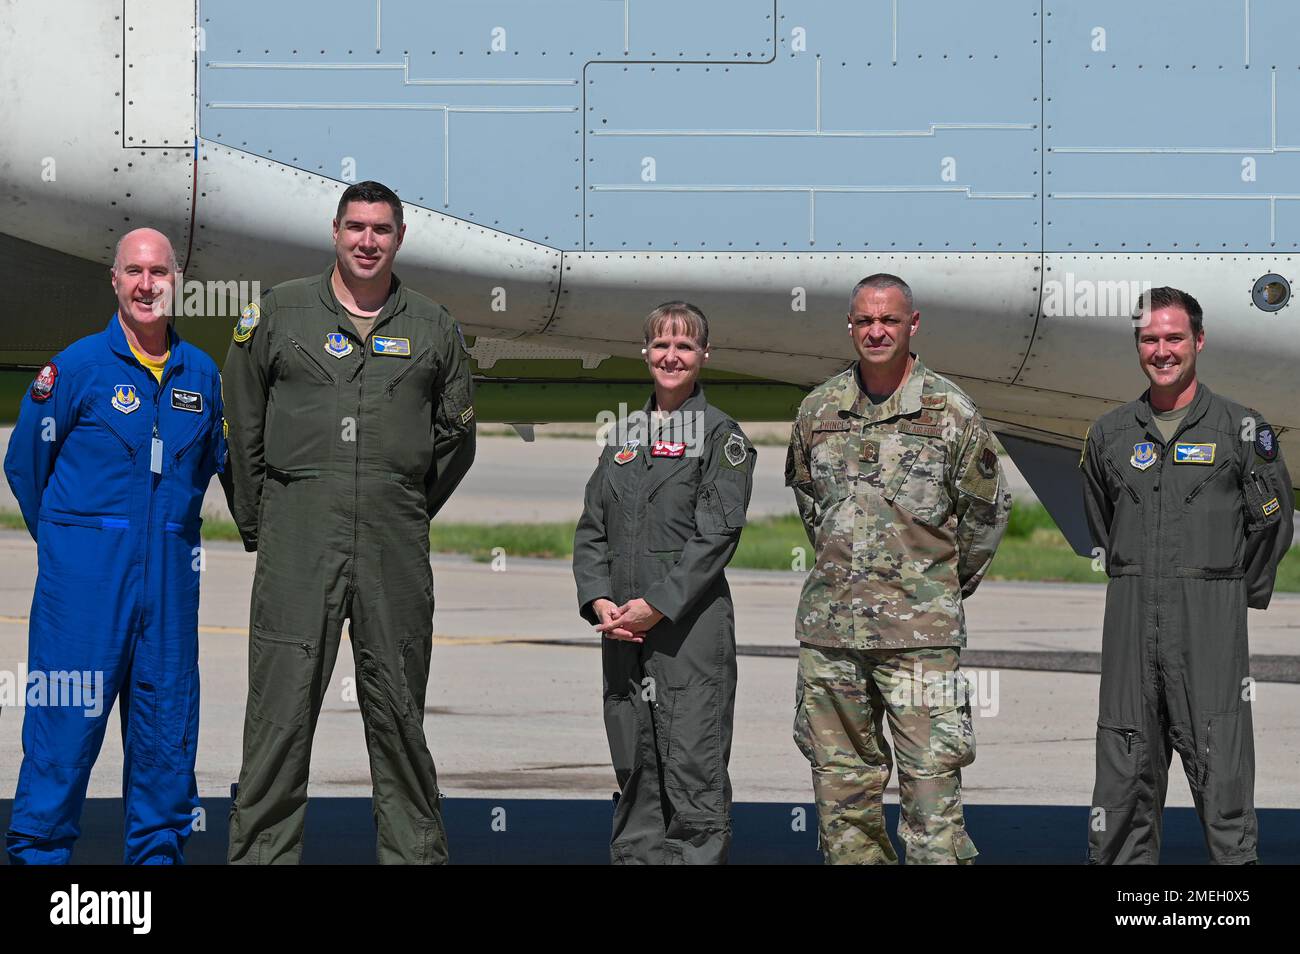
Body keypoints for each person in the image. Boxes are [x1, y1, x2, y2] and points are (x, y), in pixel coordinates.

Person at [222, 180, 476, 864]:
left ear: (398, 238)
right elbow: (240, 421)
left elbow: (457, 438)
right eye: (356, 227)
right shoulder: (280, 312)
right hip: (298, 539)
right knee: (280, 715)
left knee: (397, 714)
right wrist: (264, 520)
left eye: (382, 230)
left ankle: (413, 855)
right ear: (335, 232)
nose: (368, 241)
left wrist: (402, 502)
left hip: (392, 547)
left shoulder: (433, 326)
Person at [4, 228, 225, 864]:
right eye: (134, 272)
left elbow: (217, 466)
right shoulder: (75, 369)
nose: (146, 285)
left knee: (165, 747)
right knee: (61, 743)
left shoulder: (201, 376)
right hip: (83, 597)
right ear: (115, 280)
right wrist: (74, 547)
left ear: (176, 280)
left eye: (158, 272)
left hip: (169, 602)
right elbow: (26, 467)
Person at [785, 273, 1010, 864]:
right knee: (843, 804)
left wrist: (934, 590)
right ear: (850, 327)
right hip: (832, 638)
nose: (876, 331)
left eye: (888, 320)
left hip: (920, 642)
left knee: (932, 802)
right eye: (865, 321)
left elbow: (984, 517)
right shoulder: (818, 411)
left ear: (913, 325)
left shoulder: (950, 412)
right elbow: (813, 506)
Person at [1081, 286, 1292, 864]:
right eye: (1150, 339)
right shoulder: (1110, 435)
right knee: (1123, 775)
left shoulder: (1242, 431)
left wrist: (1222, 591)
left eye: (1174, 337)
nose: (1162, 350)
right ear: (1138, 346)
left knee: (1221, 773)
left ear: (1198, 340)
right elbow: (1104, 527)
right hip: (1130, 625)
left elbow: (1272, 524)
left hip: (1210, 627)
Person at [573, 301, 755, 864]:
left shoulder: (722, 437)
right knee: (634, 767)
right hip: (623, 634)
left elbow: (716, 538)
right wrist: (599, 599)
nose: (670, 356)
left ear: (704, 355)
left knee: (692, 770)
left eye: (684, 345)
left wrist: (656, 605)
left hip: (688, 635)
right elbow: (591, 528)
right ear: (645, 351)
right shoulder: (622, 435)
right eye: (660, 344)